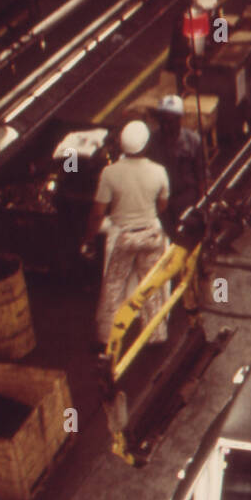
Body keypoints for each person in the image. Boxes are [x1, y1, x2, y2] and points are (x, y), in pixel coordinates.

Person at [83, 120, 170, 350]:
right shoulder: (159, 172)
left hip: (123, 236)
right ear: (146, 145)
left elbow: (97, 213)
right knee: (151, 286)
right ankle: (156, 337)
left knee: (113, 287)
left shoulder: (109, 174)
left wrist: (89, 238)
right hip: (151, 235)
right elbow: (162, 206)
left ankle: (105, 339)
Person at [147, 95, 204, 236]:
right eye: (162, 121)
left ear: (180, 119)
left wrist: (201, 207)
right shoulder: (153, 141)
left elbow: (201, 176)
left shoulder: (193, 141)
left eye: (170, 121)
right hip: (162, 202)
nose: (166, 126)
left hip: (185, 199)